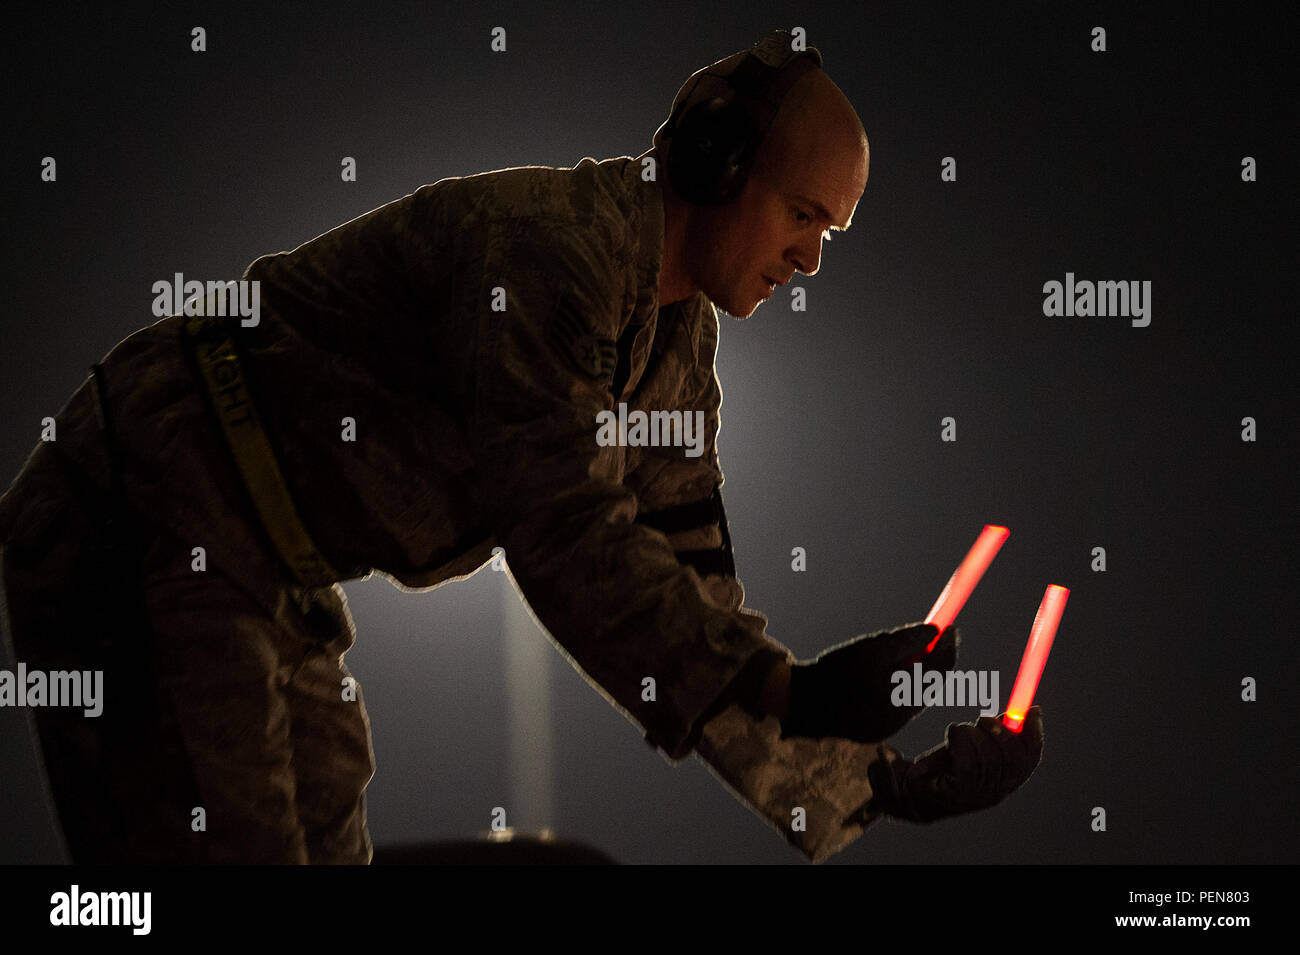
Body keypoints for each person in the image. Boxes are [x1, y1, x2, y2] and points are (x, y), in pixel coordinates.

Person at [0, 31, 1042, 865]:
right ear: (720, 163)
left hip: (263, 557)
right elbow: (568, 532)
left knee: (319, 814)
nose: (811, 257)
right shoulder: (548, 256)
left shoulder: (676, 344)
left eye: (832, 234)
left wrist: (874, 786)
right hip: (154, 496)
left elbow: (688, 602)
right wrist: (794, 690)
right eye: (802, 213)